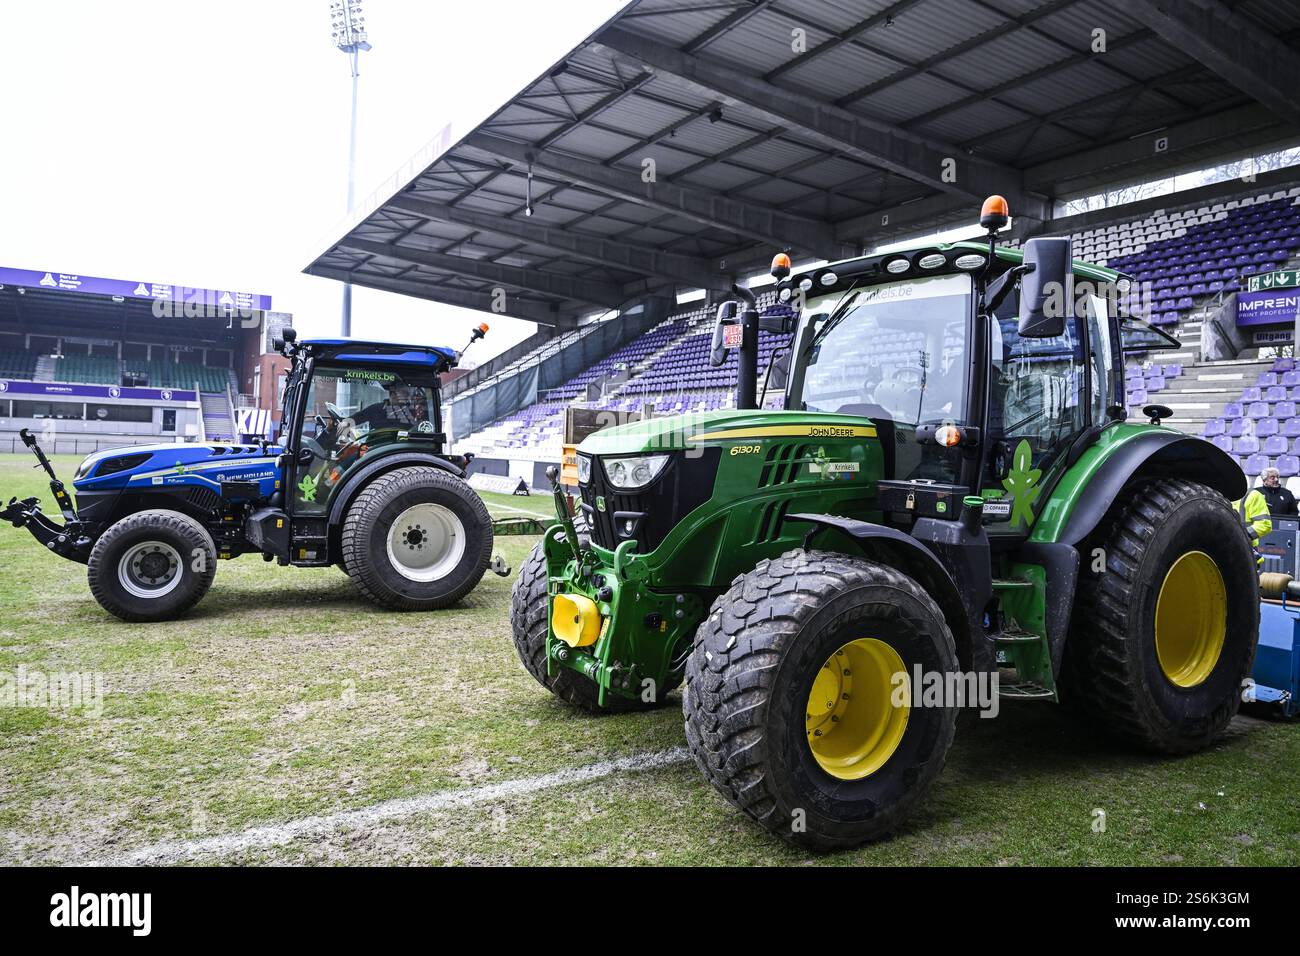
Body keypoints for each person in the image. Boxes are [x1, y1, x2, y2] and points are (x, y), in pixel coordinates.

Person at [1234, 486, 1273, 567]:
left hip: (1247, 552)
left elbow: (1265, 524)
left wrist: (1240, 536)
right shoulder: (1215, 496)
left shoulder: (1252, 495)